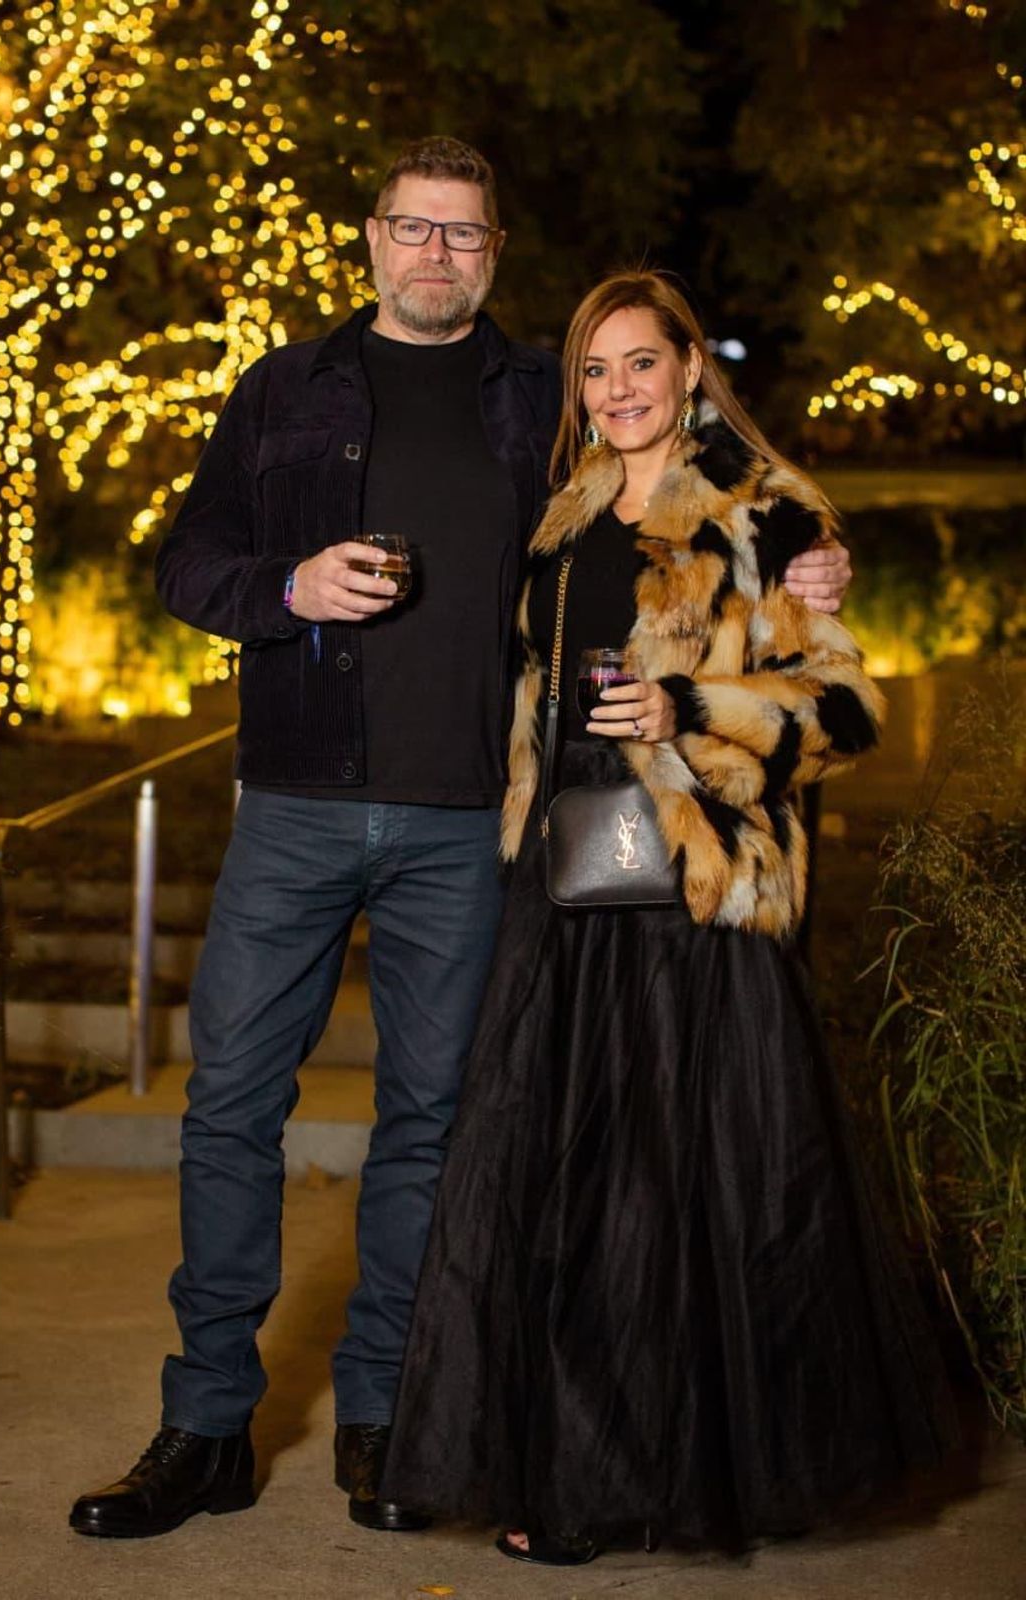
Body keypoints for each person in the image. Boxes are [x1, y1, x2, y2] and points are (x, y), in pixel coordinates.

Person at [68, 145, 851, 1543]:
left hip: (470, 832)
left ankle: (385, 1414)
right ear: (370, 240)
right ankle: (203, 1429)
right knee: (227, 1105)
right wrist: (285, 587)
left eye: (465, 235)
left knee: (432, 1128)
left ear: (492, 253)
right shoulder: (280, 390)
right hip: (299, 798)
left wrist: (804, 548)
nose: (437, 253)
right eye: (413, 229)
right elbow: (185, 560)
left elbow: (682, 462)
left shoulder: (535, 411)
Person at [381, 270, 957, 1566]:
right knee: (562, 1179)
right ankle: (570, 1469)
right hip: (564, 876)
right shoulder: (564, 511)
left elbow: (844, 710)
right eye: (595, 370)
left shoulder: (770, 514)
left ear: (693, 367)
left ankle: (648, 1477)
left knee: (672, 1192)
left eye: (643, 364)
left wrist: (689, 714)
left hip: (690, 884)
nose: (618, 391)